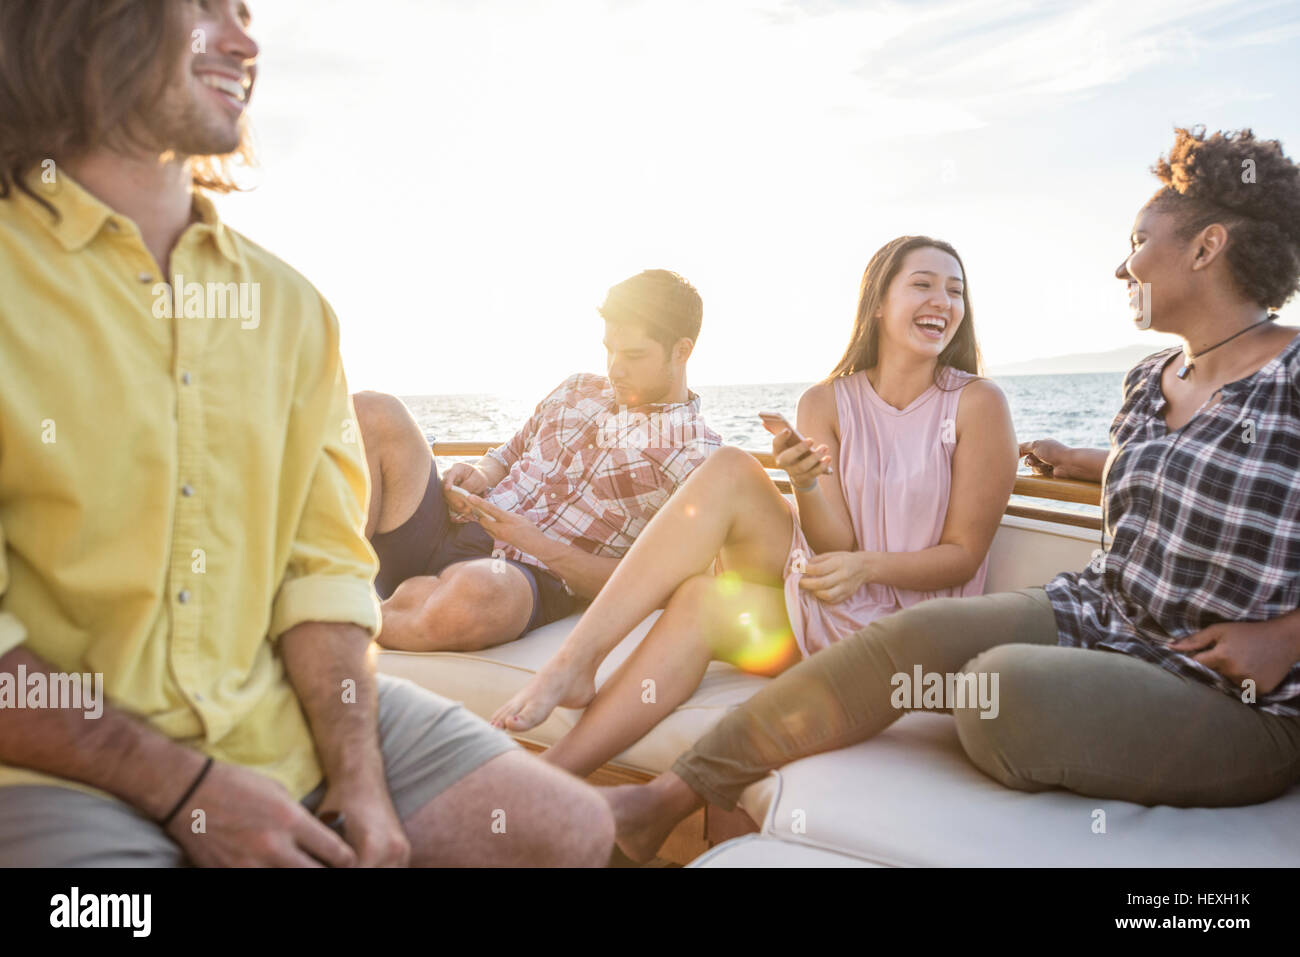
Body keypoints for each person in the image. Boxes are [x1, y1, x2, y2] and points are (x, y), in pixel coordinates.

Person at [0, 0, 611, 867]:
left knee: (570, 831)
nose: (246, 40)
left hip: (276, 713)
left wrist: (357, 776)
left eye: (246, 13)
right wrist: (186, 790)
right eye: (207, 8)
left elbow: (321, 576)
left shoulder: (291, 310)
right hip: (45, 770)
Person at [602, 126, 1300, 863]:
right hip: (1104, 611)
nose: (1122, 264)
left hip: (1235, 694)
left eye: (1137, 240)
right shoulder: (1152, 379)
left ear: (1205, 248)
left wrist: (1286, 635)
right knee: (902, 641)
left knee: (999, 690)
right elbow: (1195, 459)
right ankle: (663, 799)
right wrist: (1086, 458)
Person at [490, 235, 1019, 783]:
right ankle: (550, 770)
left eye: (954, 291)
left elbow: (963, 555)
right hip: (828, 596)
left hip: (908, 631)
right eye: (923, 285)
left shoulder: (977, 404)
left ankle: (561, 720)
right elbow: (834, 546)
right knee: (726, 484)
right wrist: (804, 483)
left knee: (709, 578)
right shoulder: (825, 402)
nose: (943, 301)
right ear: (879, 303)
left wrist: (869, 567)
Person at [354, 268, 722, 653]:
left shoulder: (701, 457)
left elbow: (656, 583)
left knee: (476, 597)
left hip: (525, 576)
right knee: (372, 410)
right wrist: (479, 473)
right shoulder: (576, 388)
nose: (615, 368)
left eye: (633, 355)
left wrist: (540, 545)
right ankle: (334, 583)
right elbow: (507, 455)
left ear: (682, 351)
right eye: (609, 348)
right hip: (450, 527)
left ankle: (344, 620)